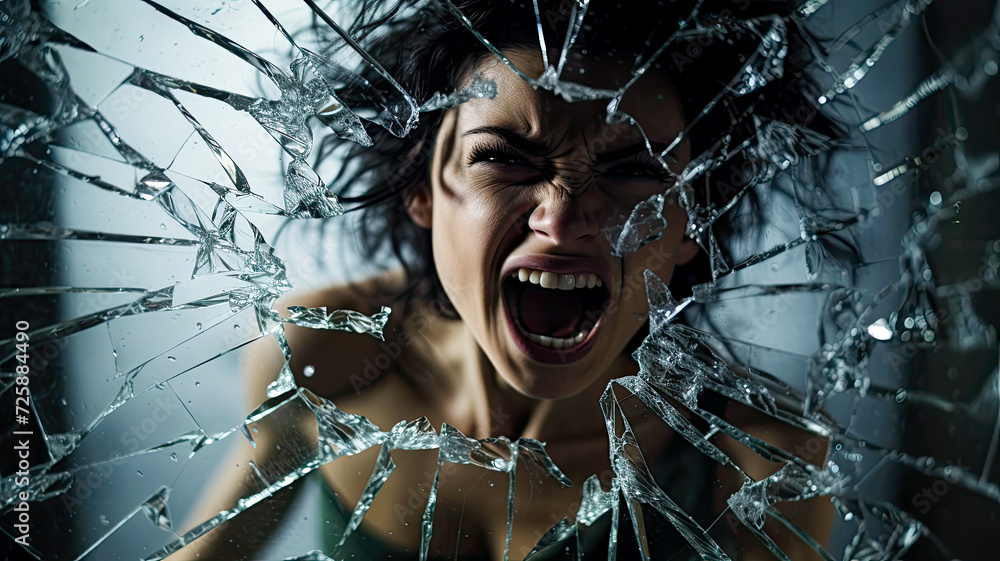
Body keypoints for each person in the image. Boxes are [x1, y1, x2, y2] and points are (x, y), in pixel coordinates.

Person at [174, 1, 837, 559]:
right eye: (506, 158)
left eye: (633, 168)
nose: (564, 215)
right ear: (422, 187)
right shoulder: (324, 355)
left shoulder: (758, 458)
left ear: (696, 211)